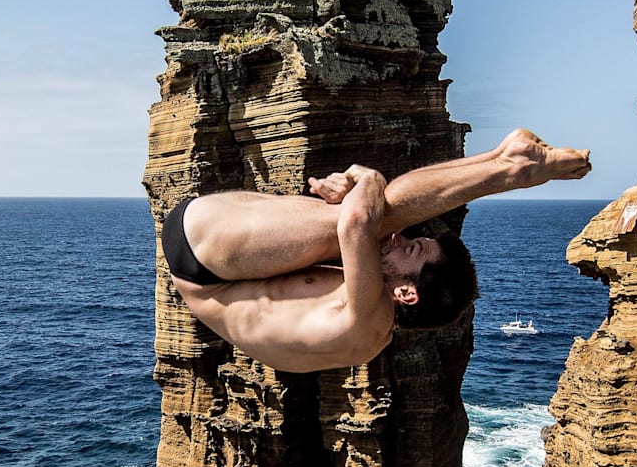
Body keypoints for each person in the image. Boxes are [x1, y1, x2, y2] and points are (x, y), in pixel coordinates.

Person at [162, 128, 591, 373]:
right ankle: (503, 156)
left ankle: (511, 168)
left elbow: (357, 222)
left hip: (201, 255)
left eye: (414, 249)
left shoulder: (363, 321)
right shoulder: (375, 310)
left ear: (407, 292)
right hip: (230, 260)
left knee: (376, 217)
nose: (402, 241)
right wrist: (339, 193)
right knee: (370, 222)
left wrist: (364, 177)